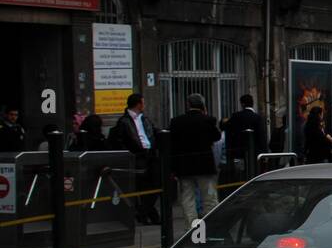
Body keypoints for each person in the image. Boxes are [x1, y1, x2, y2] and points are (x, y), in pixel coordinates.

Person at [168, 93, 222, 227]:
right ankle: (211, 226)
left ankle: (191, 228)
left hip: (184, 166)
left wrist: (173, 167)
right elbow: (216, 136)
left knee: (187, 199)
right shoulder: (208, 120)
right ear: (203, 105)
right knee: (209, 198)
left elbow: (171, 144)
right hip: (205, 166)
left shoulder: (176, 121)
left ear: (188, 105)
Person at [110, 93, 160, 225]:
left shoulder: (145, 119)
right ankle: (148, 215)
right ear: (138, 104)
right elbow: (120, 141)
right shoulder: (124, 121)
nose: (144, 105)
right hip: (138, 156)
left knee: (155, 185)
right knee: (141, 186)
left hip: (150, 155)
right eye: (143, 102)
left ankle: (144, 212)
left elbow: (154, 132)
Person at [223, 94, 266, 176]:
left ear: (242, 104)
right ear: (252, 103)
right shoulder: (257, 117)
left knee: (240, 176)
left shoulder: (236, 116)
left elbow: (226, 128)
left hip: (238, 153)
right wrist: (264, 153)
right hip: (254, 153)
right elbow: (261, 136)